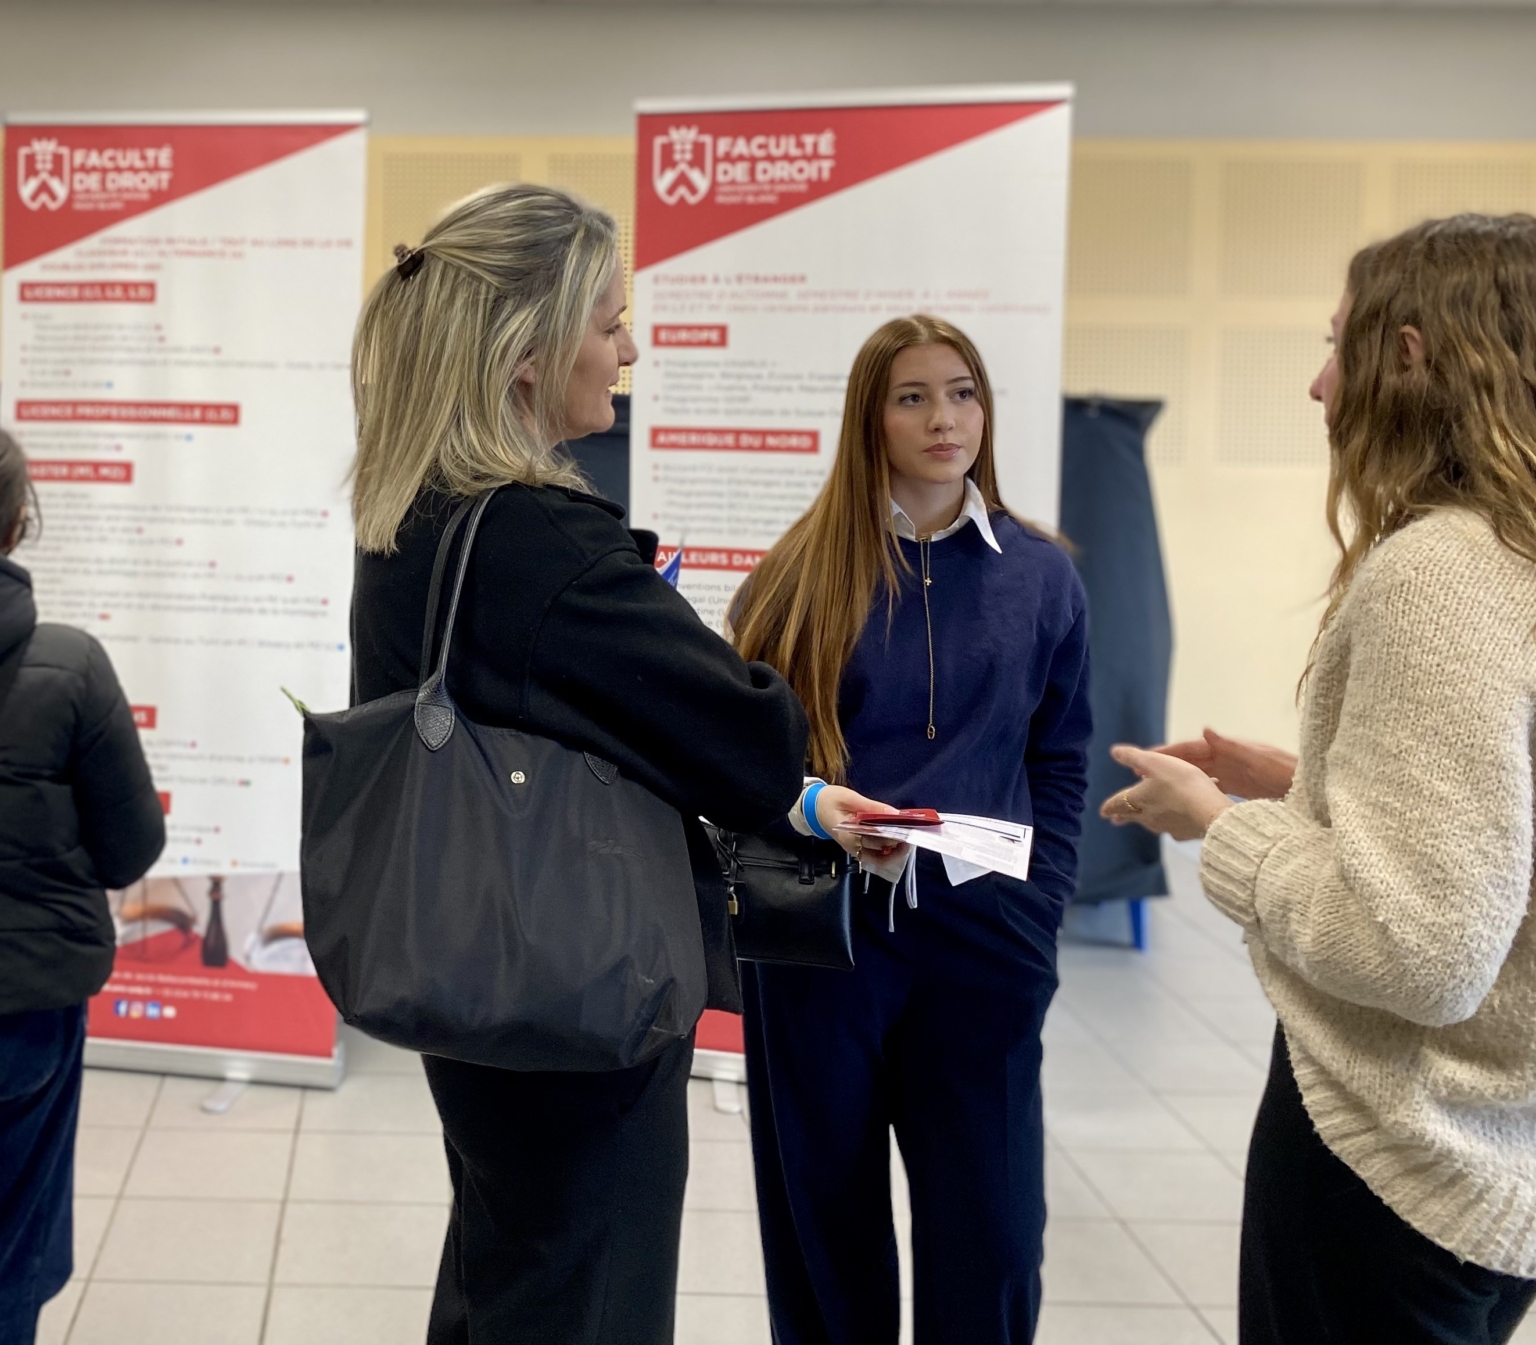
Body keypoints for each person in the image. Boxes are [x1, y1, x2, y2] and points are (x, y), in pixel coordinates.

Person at [347, 184, 808, 1345]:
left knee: (509, 1270)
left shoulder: (414, 517)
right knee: (587, 1293)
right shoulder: (540, 536)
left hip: (473, 971)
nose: (630, 347)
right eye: (608, 322)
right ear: (524, 349)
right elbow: (750, 733)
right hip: (579, 998)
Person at [1103, 213, 1536, 1344]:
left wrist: (1222, 829)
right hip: (1496, 1165)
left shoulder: (1442, 569)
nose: (1314, 383)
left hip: (1397, 1157)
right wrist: (1307, 779)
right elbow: (1507, 834)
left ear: (1409, 357)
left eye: (1338, 344)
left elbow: (1424, 949)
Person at [730, 315, 1093, 1344]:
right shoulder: (795, 575)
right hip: (824, 946)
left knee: (993, 1232)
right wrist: (820, 813)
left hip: (986, 941)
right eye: (914, 396)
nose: (946, 418)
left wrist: (1041, 908)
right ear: (870, 420)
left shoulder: (1043, 575)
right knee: (824, 1233)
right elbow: (748, 762)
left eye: (964, 392)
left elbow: (1061, 757)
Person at [0, 430, 165, 1343]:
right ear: (20, 520)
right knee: (11, 1251)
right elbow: (129, 849)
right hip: (25, 1007)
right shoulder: (69, 666)